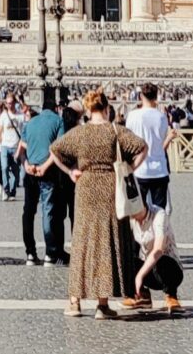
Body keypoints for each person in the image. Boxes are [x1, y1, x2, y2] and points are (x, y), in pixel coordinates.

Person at [50, 92, 146, 317]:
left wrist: (70, 171)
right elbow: (142, 148)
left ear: (87, 109)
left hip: (85, 188)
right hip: (110, 188)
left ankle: (74, 301)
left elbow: (54, 150)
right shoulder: (115, 131)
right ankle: (102, 304)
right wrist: (130, 169)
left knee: (81, 242)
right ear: (106, 107)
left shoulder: (80, 132)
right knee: (106, 242)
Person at [20, 87, 69, 266]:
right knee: (48, 212)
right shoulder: (58, 121)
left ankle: (30, 253)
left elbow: (21, 150)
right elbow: (59, 149)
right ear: (55, 108)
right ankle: (50, 253)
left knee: (28, 212)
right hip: (47, 172)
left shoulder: (31, 122)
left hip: (30, 171)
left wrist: (26, 165)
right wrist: (45, 166)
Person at [128, 185, 184, 316]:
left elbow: (159, 249)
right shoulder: (131, 218)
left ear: (143, 206)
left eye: (135, 212)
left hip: (169, 268)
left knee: (161, 260)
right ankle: (142, 295)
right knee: (125, 260)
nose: (134, 217)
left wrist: (140, 275)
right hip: (148, 269)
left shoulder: (159, 214)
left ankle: (171, 295)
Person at [125, 84, 173, 214]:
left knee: (138, 212)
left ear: (141, 96)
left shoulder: (132, 115)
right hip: (159, 169)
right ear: (156, 96)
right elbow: (162, 141)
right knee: (159, 213)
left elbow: (128, 140)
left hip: (140, 168)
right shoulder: (162, 117)